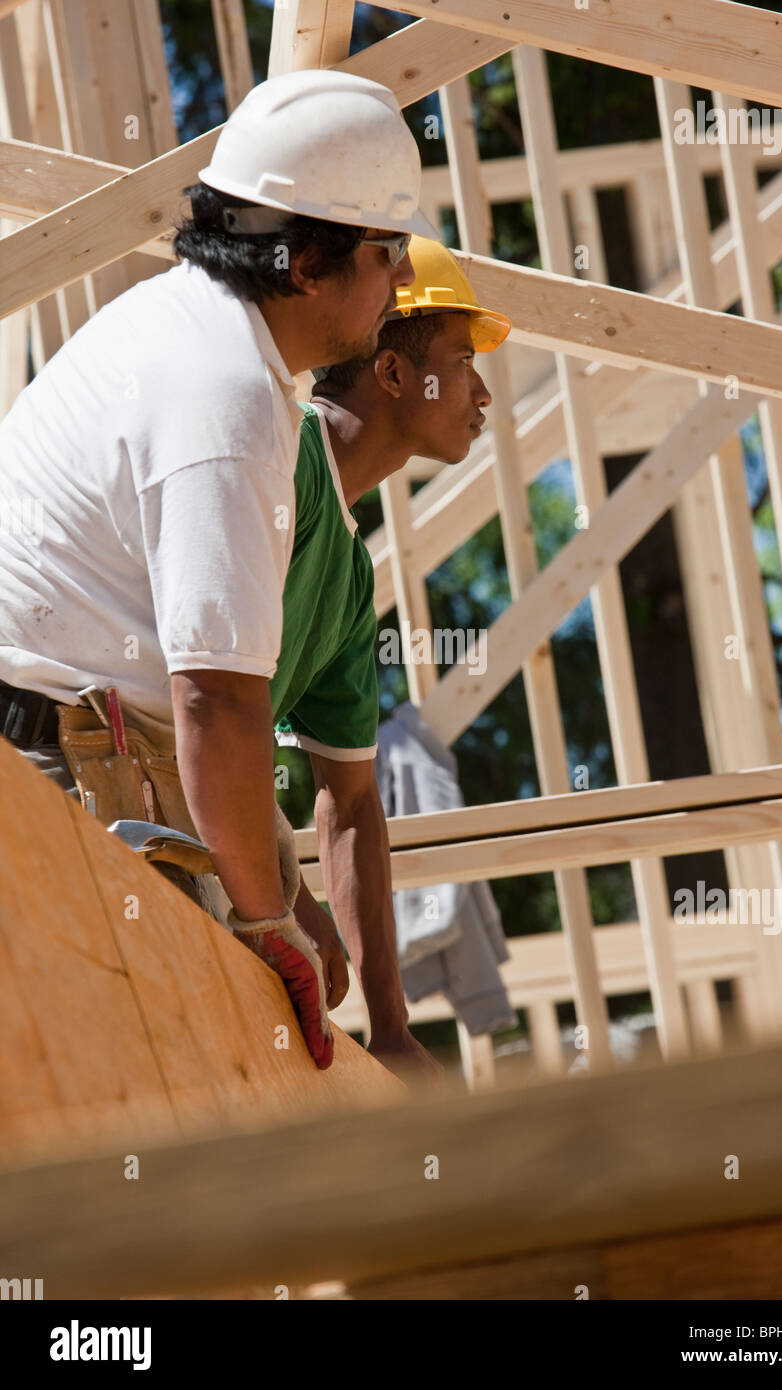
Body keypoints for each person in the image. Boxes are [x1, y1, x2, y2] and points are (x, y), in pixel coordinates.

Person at [0, 70, 436, 1072]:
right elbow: (216, 706)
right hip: (45, 773)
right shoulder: (226, 394)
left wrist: (274, 884)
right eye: (390, 250)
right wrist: (264, 916)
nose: (402, 281)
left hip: (70, 754)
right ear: (313, 261)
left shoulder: (192, 334)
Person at [267, 235, 510, 1081]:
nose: (483, 391)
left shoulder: (344, 565)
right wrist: (289, 902)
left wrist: (393, 1029)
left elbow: (352, 801)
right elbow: (188, 703)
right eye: (460, 360)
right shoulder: (274, 459)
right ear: (395, 373)